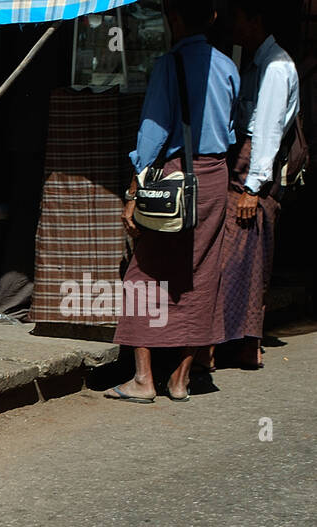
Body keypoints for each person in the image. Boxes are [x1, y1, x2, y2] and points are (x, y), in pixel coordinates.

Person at [108, 0, 239, 403]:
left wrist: (134, 190)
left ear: (175, 19)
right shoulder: (228, 66)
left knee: (142, 274)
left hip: (175, 178)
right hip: (216, 176)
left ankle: (144, 379)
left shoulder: (169, 64)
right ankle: (180, 378)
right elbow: (233, 128)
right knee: (202, 275)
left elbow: (152, 131)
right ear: (214, 17)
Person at [218, 1, 300, 370]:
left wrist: (252, 188)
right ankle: (242, 341)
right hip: (245, 167)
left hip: (254, 173)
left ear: (254, 19)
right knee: (243, 254)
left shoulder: (276, 67)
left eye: (236, 15)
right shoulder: (252, 61)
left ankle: (247, 342)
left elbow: (266, 129)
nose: (229, 23)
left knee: (247, 252)